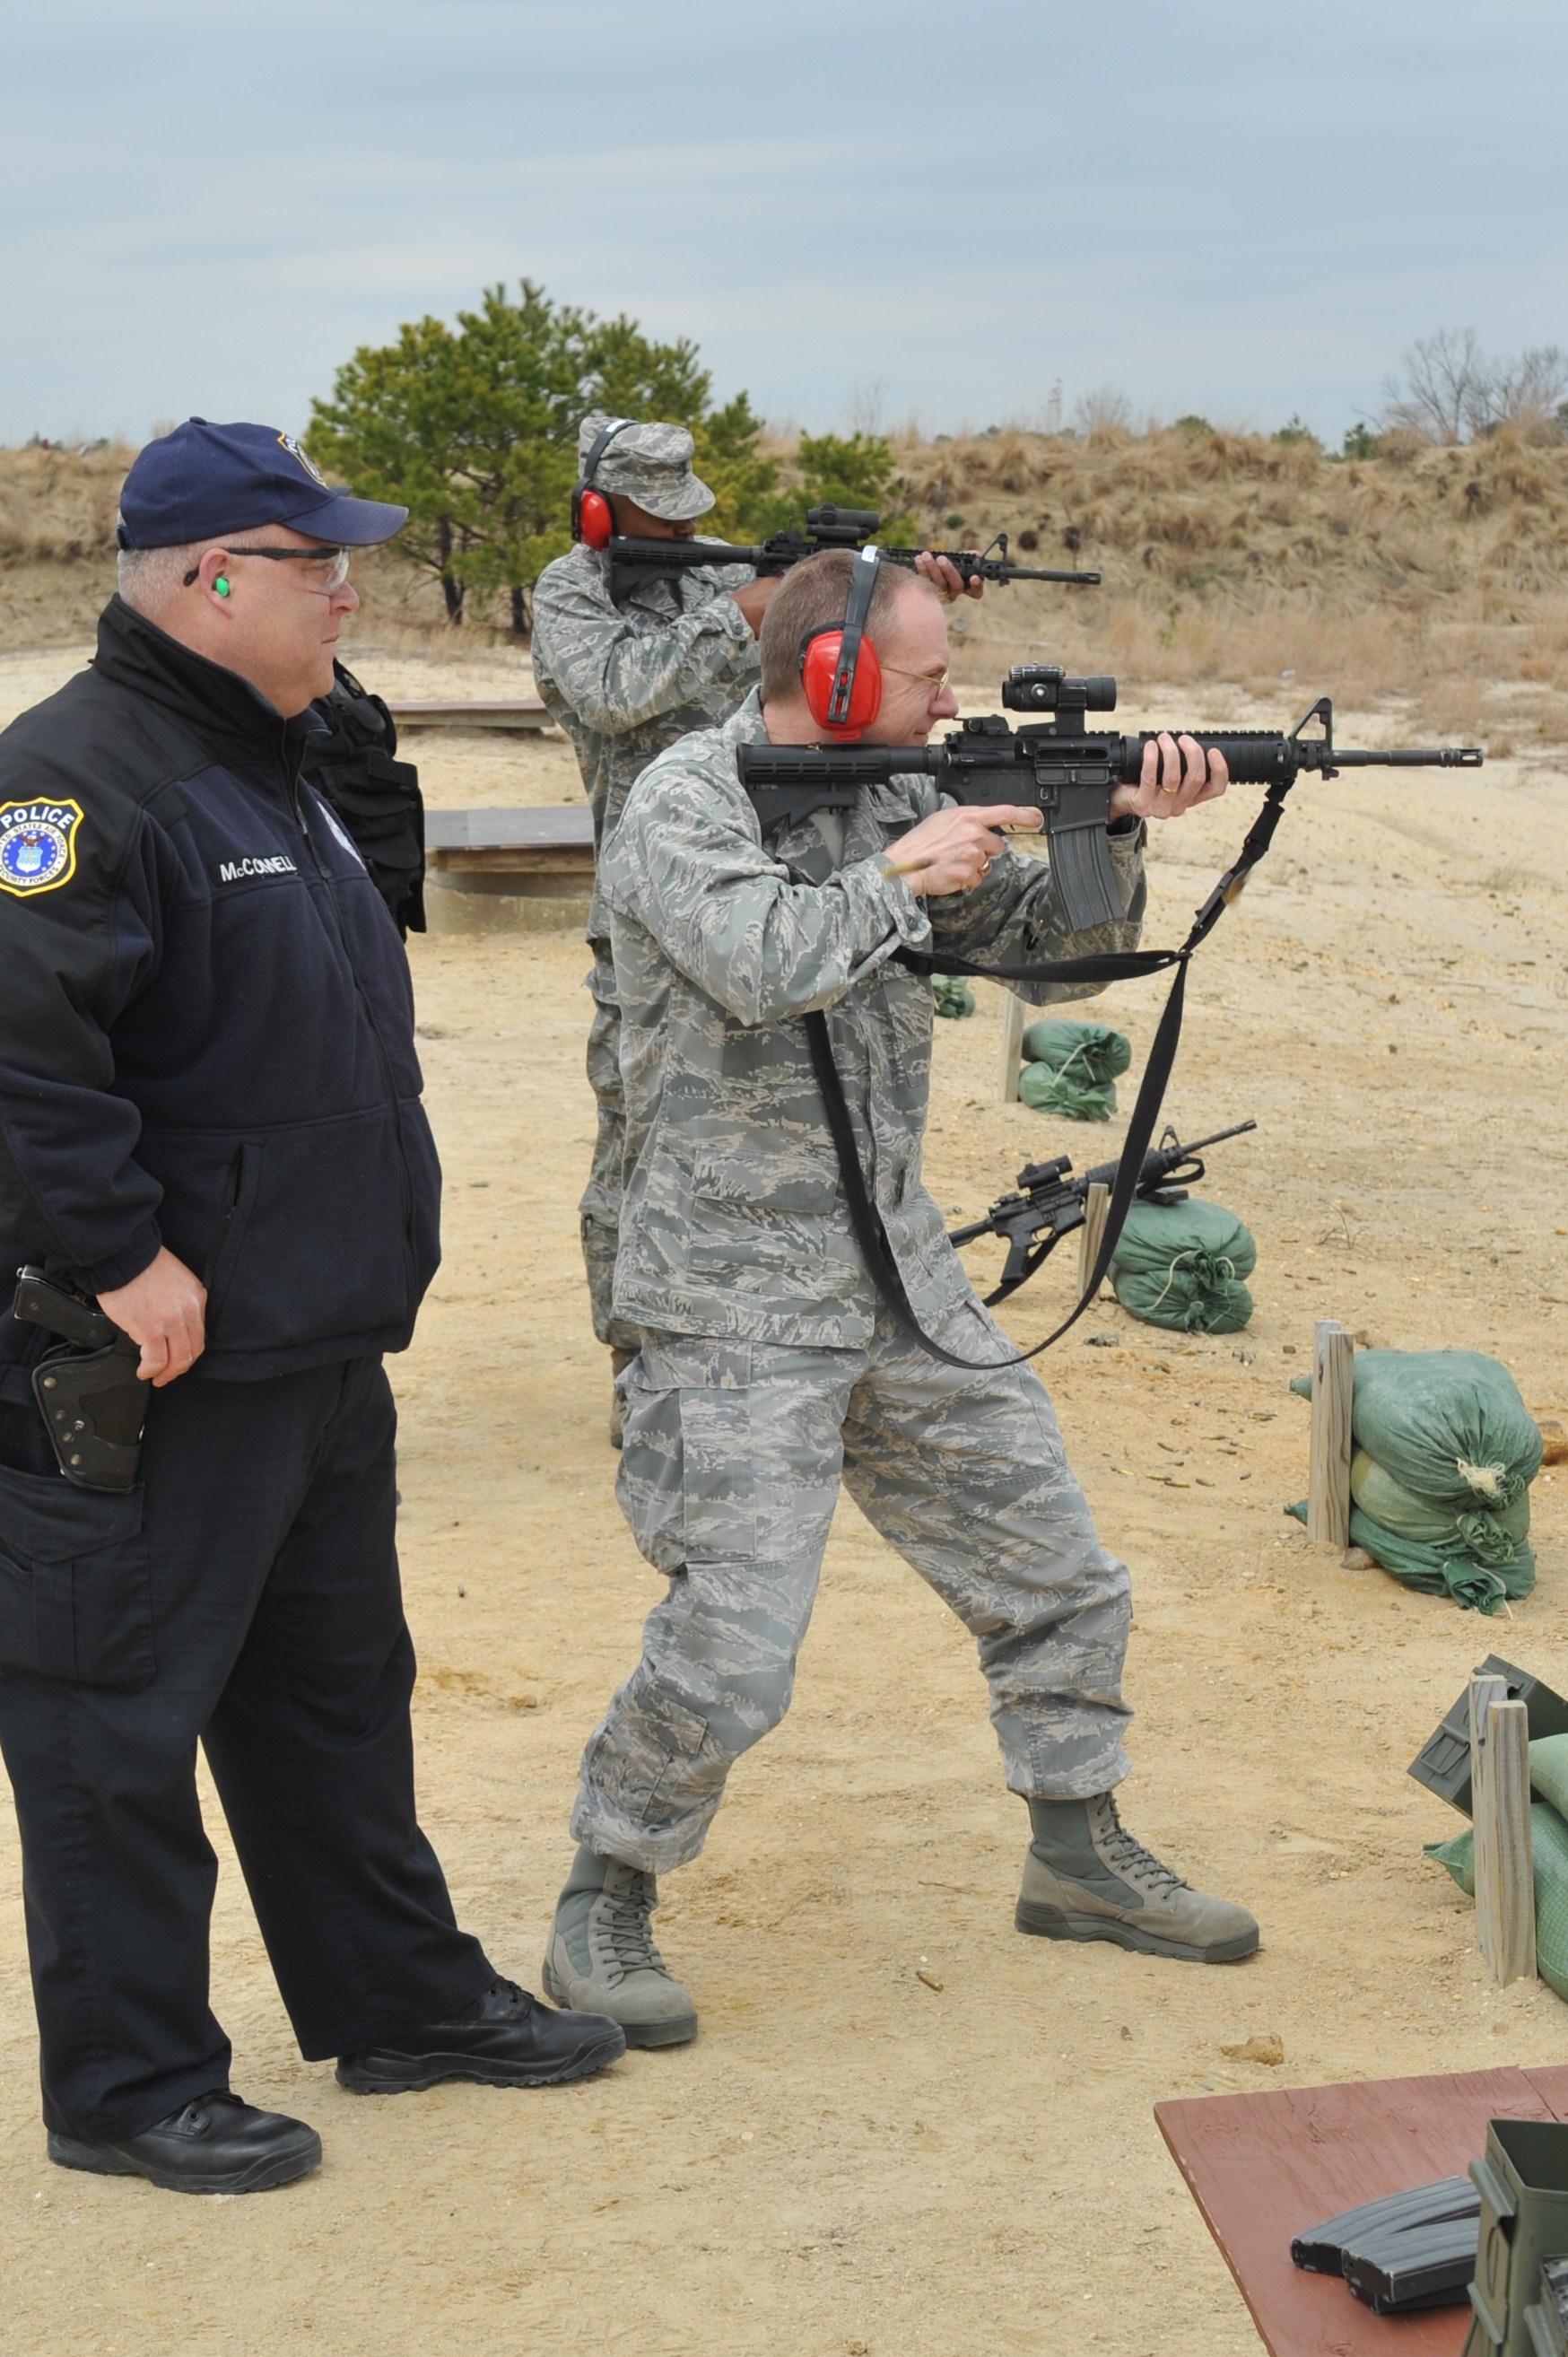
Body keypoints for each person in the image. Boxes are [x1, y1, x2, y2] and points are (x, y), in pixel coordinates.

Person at [0, 418, 623, 2198]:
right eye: (316, 563)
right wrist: (119, 1254)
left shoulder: (275, 758)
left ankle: (397, 1997)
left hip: (316, 1337)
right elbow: (19, 1059)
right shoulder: (70, 782)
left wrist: (351, 753)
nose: (350, 589)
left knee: (335, 1696)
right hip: (150, 1352)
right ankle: (130, 2082)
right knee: (114, 1718)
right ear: (209, 580)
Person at [540, 548, 1259, 2047]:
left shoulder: (891, 791)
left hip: (896, 1270)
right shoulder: (683, 800)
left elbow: (1048, 961)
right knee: (735, 1645)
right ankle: (606, 1884)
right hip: (732, 1296)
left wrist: (1111, 826)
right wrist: (900, 872)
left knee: (1056, 1567)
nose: (948, 705)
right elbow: (756, 959)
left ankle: (1076, 1849)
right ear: (835, 672)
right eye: (927, 678)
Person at [530, 418, 981, 1436]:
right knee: (639, 1140)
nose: (680, 533)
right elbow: (611, 693)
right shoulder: (572, 590)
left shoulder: (712, 577)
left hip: (792, 885)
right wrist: (744, 613)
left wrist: (878, 610)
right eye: (654, 515)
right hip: (654, 894)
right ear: (599, 510)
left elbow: (809, 693)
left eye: (685, 513)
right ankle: (642, 1361)